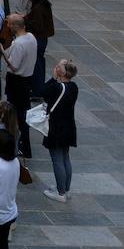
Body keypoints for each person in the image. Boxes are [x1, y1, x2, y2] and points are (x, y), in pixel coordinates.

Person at [40, 59, 80, 202]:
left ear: (61, 72)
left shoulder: (56, 87)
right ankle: (65, 189)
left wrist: (53, 77)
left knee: (57, 159)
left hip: (56, 127)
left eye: (59, 66)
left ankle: (61, 193)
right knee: (65, 157)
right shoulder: (74, 87)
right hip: (68, 126)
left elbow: (42, 90)